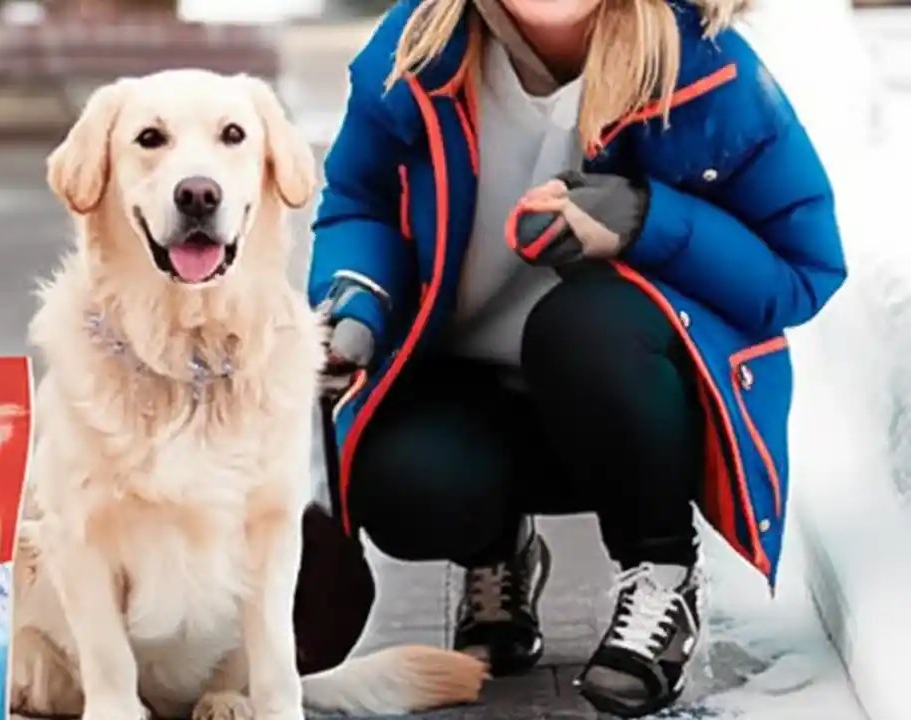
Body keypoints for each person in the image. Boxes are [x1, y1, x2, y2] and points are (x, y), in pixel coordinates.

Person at [307, 0, 846, 716]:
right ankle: (496, 554)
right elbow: (359, 202)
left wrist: (649, 222)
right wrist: (355, 305)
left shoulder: (706, 68)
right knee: (405, 489)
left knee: (582, 325)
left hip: (636, 401)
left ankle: (660, 572)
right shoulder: (414, 50)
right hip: (469, 392)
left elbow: (803, 267)